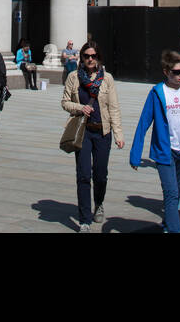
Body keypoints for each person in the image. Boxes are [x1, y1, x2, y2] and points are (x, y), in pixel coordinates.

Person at [129, 49, 180, 234]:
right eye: (176, 72)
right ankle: (173, 229)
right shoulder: (157, 93)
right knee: (171, 194)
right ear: (166, 72)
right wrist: (135, 154)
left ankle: (167, 223)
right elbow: (144, 122)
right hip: (165, 151)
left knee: (176, 193)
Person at [61, 42, 123, 231]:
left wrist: (118, 133)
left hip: (102, 132)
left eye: (93, 56)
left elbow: (114, 107)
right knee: (83, 175)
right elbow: (65, 102)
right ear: (81, 57)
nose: (90, 59)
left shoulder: (107, 79)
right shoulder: (73, 77)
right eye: (86, 56)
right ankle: (84, 219)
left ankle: (99, 202)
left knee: (100, 175)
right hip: (83, 132)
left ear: (98, 58)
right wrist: (81, 107)